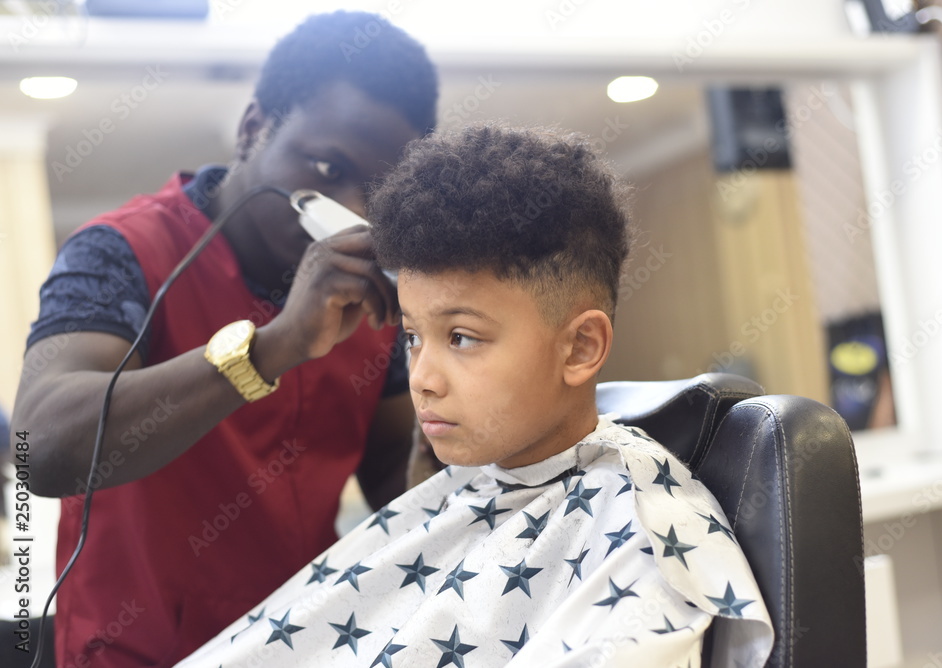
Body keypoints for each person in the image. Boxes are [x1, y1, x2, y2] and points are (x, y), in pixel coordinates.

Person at [175, 123, 774, 667]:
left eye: (461, 337)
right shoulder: (477, 484)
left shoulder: (643, 537)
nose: (422, 378)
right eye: (412, 337)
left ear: (580, 347)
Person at [10, 11, 438, 667]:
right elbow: (42, 448)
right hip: (132, 649)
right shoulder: (120, 252)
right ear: (251, 128)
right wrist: (276, 345)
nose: (351, 211)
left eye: (376, 193)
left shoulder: (374, 290)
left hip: (299, 647)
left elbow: (390, 474)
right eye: (326, 166)